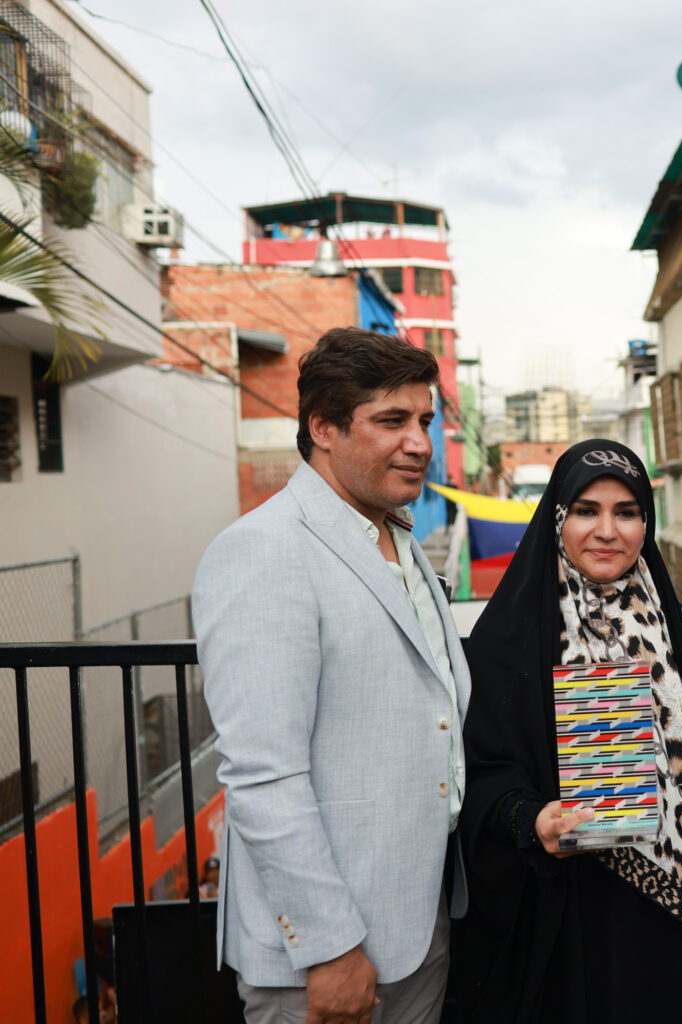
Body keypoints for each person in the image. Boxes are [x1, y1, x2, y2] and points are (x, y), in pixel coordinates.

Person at [195, 327, 470, 1024]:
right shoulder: (263, 552)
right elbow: (262, 774)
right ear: (322, 427)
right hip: (324, 960)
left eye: (424, 421)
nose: (418, 442)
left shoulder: (399, 539)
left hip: (417, 930)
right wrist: (330, 948)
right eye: (391, 421)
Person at [453, 438, 682, 1024]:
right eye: (586, 511)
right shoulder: (508, 637)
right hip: (569, 910)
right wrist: (531, 817)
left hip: (681, 905)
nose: (607, 531)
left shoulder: (673, 625)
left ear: (646, 523)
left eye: (627, 512)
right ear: (557, 519)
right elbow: (479, 775)